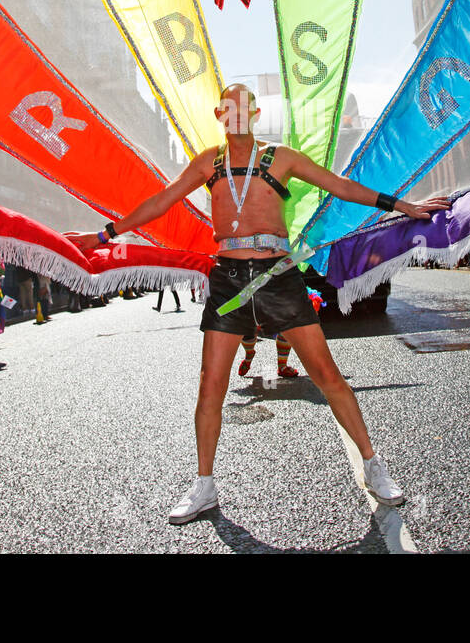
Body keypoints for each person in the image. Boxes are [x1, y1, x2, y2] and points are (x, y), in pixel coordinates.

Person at [67, 84, 449, 524]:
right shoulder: (209, 162)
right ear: (219, 113)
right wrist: (103, 235)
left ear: (255, 111)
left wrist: (403, 205)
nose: (237, 112)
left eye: (244, 105)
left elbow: (339, 186)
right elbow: (161, 200)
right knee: (211, 382)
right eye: (229, 106)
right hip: (228, 280)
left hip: (277, 276)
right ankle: (204, 486)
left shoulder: (281, 157)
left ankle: (372, 465)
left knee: (326, 374)